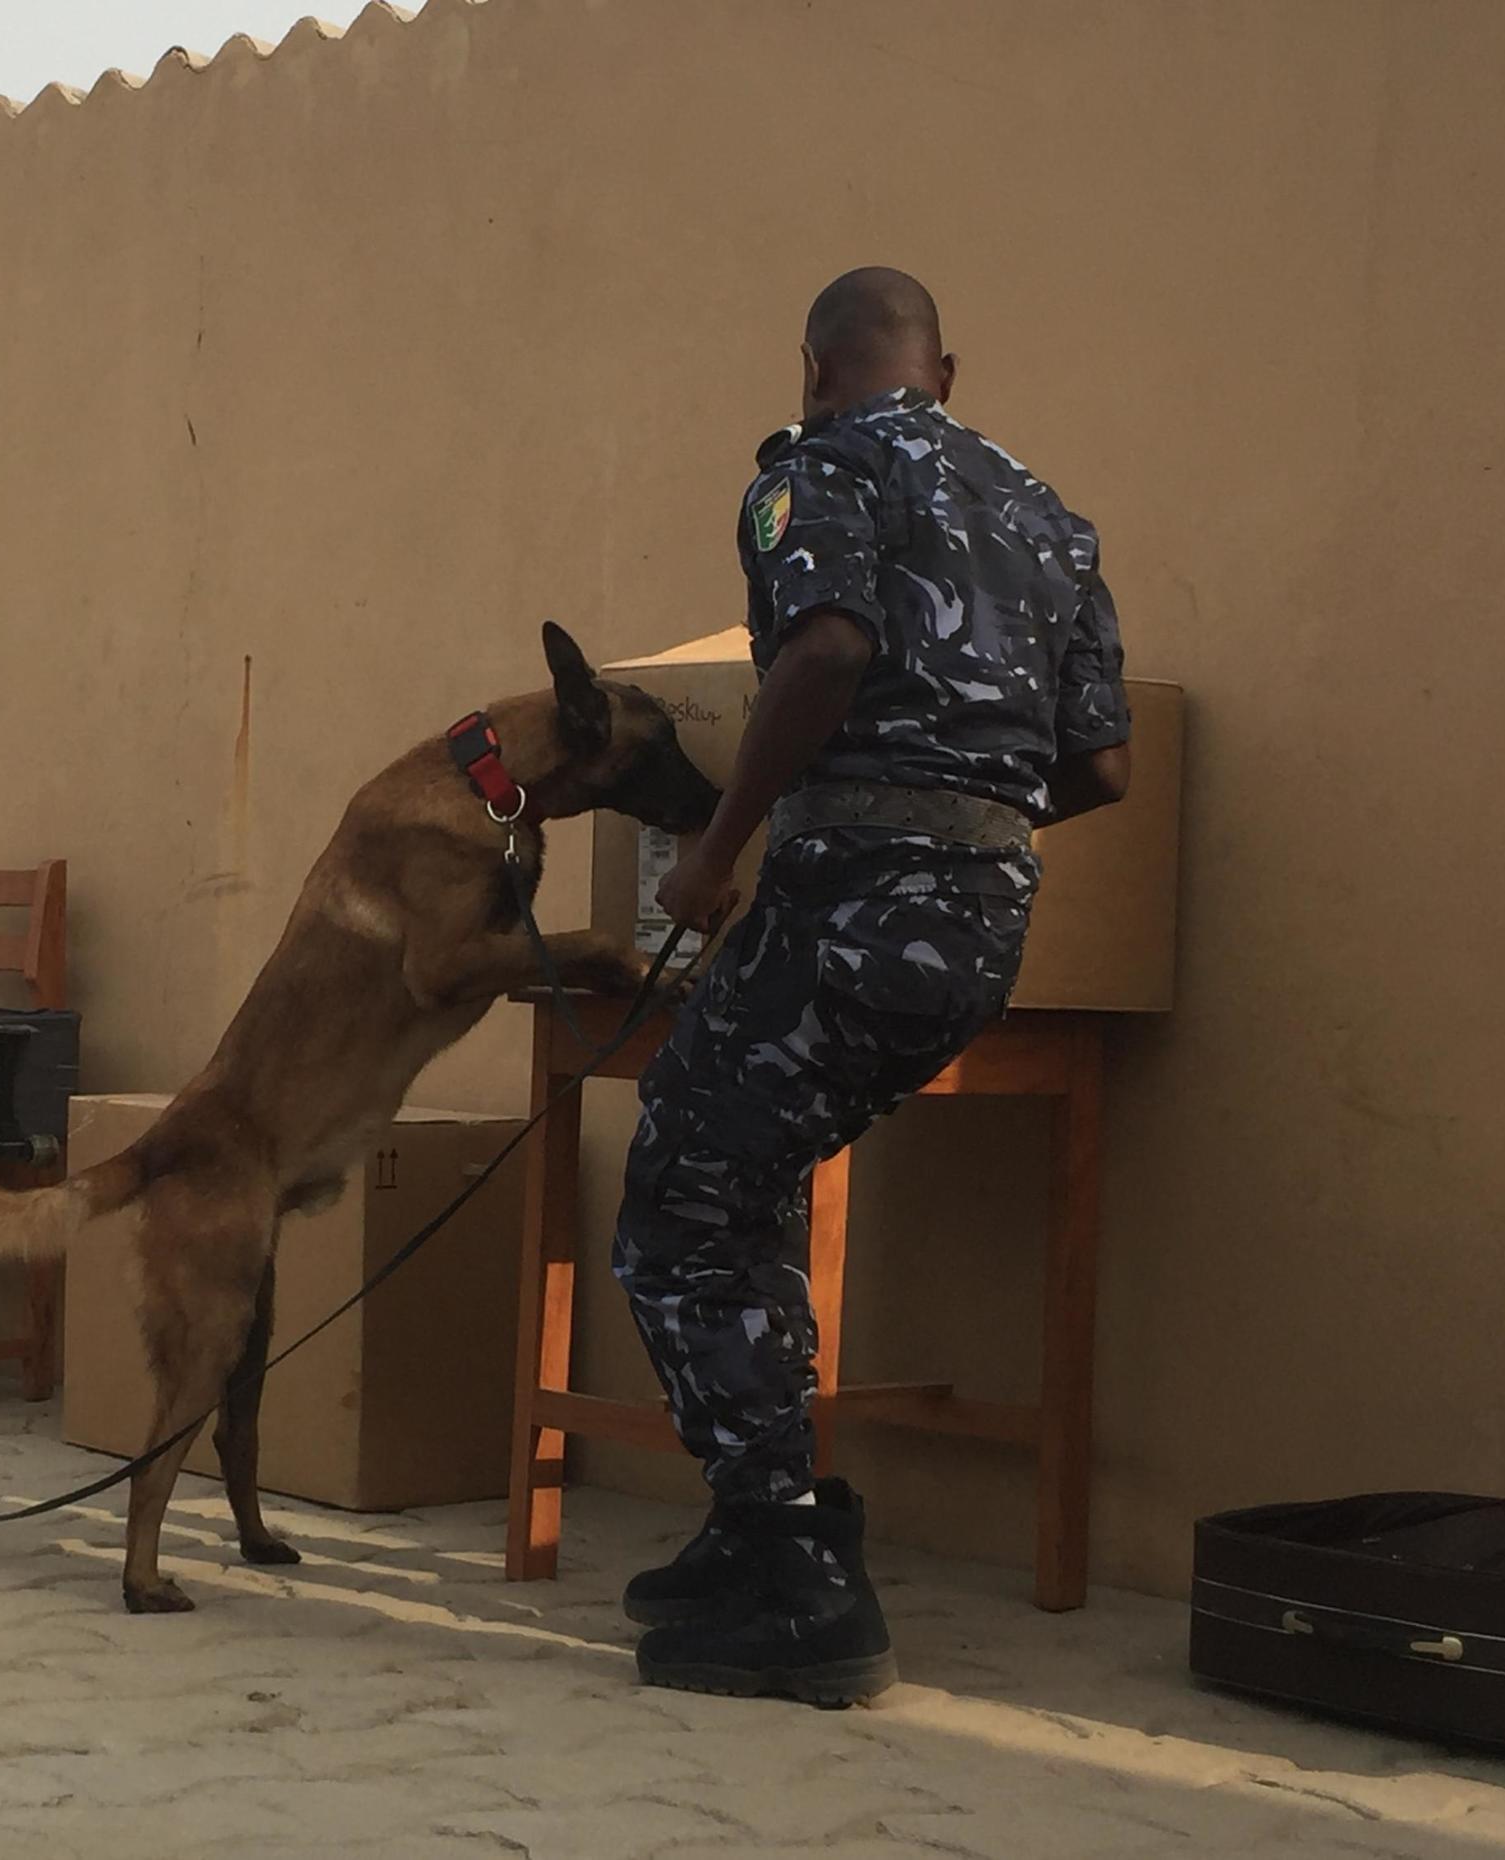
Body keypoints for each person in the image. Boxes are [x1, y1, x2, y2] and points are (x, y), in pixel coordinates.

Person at [613, 267, 1132, 1705]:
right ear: (944, 373)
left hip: (847, 906)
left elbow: (829, 646)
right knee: (749, 1168)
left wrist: (718, 851)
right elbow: (1101, 769)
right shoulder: (1050, 519)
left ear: (812, 368)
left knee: (676, 1195)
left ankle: (791, 1575)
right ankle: (756, 1523)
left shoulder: (813, 471)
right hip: (982, 926)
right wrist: (964, 822)